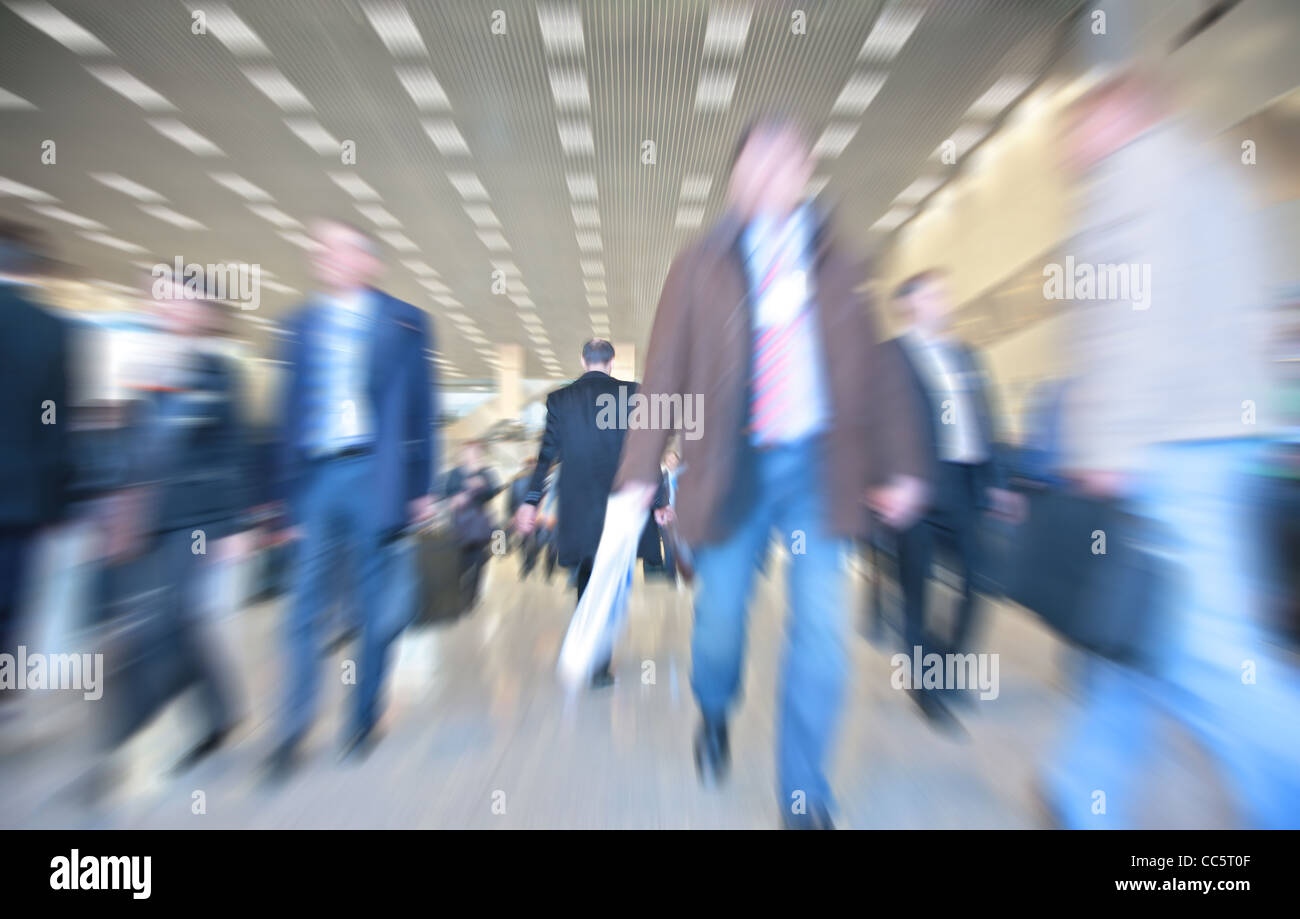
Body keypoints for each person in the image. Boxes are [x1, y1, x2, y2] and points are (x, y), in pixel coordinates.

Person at [610, 117, 928, 828]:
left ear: (804, 169)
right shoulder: (700, 265)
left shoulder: (839, 264)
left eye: (784, 161)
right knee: (720, 616)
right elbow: (663, 375)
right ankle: (715, 706)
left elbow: (878, 371)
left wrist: (901, 463)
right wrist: (638, 468)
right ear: (735, 178)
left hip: (819, 466)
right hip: (732, 466)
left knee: (821, 629)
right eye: (755, 162)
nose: (769, 174)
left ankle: (803, 791)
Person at [1045, 69, 1300, 828]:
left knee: (1208, 652)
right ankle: (1079, 786)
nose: (1069, 143)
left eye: (1076, 124)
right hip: (1215, 435)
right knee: (1139, 629)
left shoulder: (1135, 173)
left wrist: (1109, 440)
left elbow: (1136, 319)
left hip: (1166, 445)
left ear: (1114, 113)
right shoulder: (1205, 172)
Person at [268, 219, 437, 777]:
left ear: (369, 261)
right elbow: (284, 415)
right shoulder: (299, 325)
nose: (328, 257)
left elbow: (422, 409)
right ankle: (292, 729)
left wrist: (421, 489)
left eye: (341, 248)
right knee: (302, 609)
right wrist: (282, 500)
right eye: (321, 249)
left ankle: (362, 716)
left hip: (377, 474)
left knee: (375, 609)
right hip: (316, 479)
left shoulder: (405, 322)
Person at [885, 269, 1021, 725]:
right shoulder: (889, 358)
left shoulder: (964, 356)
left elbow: (987, 419)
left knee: (980, 580)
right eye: (935, 294)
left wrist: (999, 483)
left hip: (965, 483)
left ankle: (948, 665)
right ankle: (926, 687)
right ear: (911, 303)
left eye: (946, 293)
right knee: (917, 590)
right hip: (916, 486)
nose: (945, 302)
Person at [513, 339, 663, 688]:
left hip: (579, 504)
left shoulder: (560, 400)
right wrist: (660, 502)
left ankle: (591, 654)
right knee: (614, 577)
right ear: (612, 362)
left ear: (583, 360)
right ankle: (599, 659)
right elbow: (646, 451)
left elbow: (546, 456)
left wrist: (530, 502)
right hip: (621, 503)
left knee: (586, 574)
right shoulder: (633, 394)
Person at [0, 222, 71, 714]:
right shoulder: (49, 327)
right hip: (21, 500)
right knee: (10, 602)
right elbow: (54, 424)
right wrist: (59, 502)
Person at [442, 440, 500, 611]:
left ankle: (471, 598)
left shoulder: (486, 472)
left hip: (480, 524)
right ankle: (458, 592)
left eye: (475, 452)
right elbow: (446, 493)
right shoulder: (454, 473)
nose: (471, 455)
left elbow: (493, 492)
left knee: (479, 561)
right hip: (459, 525)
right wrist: (455, 498)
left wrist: (482, 485)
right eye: (468, 451)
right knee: (460, 562)